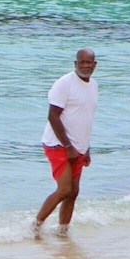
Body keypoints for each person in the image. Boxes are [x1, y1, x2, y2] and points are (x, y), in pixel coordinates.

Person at [36, 48, 98, 236]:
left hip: (78, 147)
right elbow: (53, 116)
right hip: (58, 144)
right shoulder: (64, 84)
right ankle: (35, 226)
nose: (85, 66)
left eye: (89, 63)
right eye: (82, 62)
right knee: (64, 189)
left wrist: (85, 148)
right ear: (75, 64)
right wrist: (68, 146)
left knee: (73, 192)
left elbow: (85, 117)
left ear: (95, 65)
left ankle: (62, 231)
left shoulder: (94, 85)